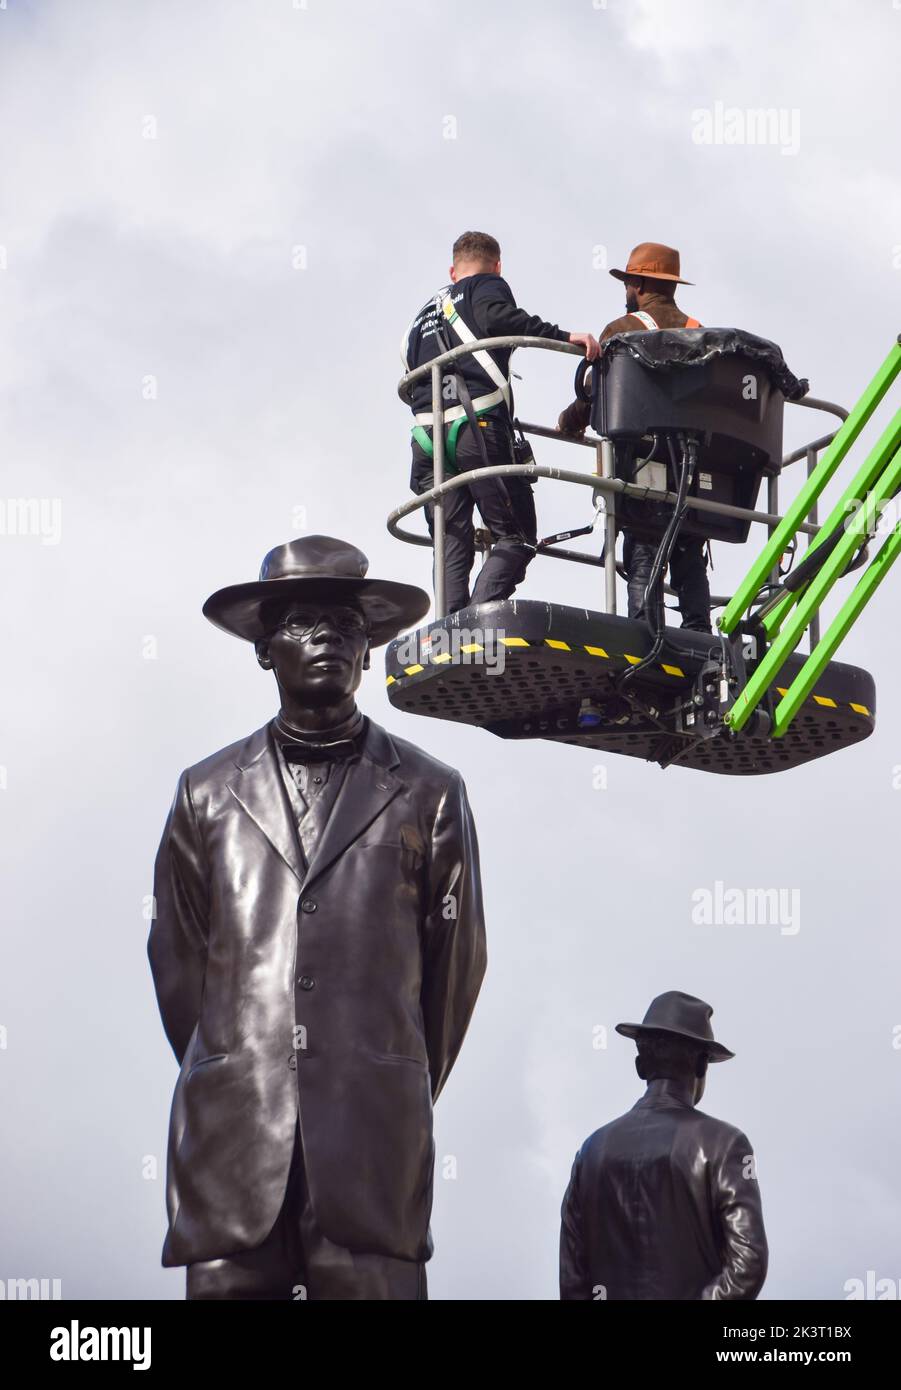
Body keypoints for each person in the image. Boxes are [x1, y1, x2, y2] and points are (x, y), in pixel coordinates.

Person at [148, 535, 487, 1300]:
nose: (328, 637)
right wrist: (235, 1058)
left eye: (347, 626)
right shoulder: (204, 793)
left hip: (373, 1146)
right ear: (265, 651)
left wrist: (382, 1069)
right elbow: (179, 962)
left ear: (369, 653)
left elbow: (453, 970)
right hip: (232, 1144)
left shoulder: (432, 791)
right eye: (302, 622)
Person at [402, 230, 599, 613]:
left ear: (452, 269)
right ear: (497, 265)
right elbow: (499, 318)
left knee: (451, 541)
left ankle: (449, 634)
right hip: (476, 430)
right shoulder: (486, 286)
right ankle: (476, 622)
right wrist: (564, 337)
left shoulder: (422, 315)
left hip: (427, 439)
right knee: (518, 536)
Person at [559, 990, 768, 1301]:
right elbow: (748, 1262)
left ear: (640, 1066)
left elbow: (573, 1280)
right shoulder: (724, 1144)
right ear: (701, 1066)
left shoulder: (591, 1151)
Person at [557, 242, 712, 633]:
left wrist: (568, 421)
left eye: (628, 282)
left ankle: (645, 632)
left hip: (642, 460)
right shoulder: (702, 335)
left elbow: (595, 392)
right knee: (689, 544)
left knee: (643, 543)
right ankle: (699, 631)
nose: (626, 290)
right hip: (692, 466)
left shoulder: (622, 331)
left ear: (640, 284)